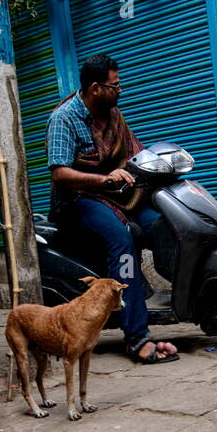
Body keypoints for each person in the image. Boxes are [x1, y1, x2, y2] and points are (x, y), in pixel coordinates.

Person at [46, 54, 179, 365]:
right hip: (79, 201)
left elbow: (135, 152)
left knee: (163, 222)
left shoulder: (113, 113)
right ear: (95, 88)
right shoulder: (64, 120)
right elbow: (60, 174)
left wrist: (163, 162)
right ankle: (137, 337)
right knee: (123, 244)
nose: (120, 91)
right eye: (115, 86)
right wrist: (104, 179)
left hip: (121, 196)